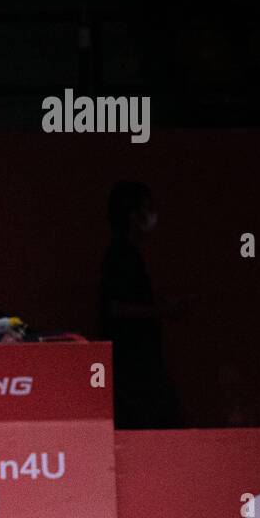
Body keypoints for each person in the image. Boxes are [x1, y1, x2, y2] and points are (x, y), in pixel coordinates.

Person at [98, 181, 185, 428]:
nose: (153, 215)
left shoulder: (132, 256)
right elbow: (114, 307)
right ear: (132, 216)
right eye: (147, 209)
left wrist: (158, 303)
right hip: (131, 367)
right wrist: (163, 311)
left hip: (142, 363)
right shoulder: (119, 255)